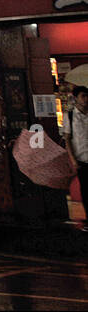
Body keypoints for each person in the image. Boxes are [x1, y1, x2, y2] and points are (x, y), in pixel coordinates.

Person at [65, 86, 88, 220]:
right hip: (81, 159)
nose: (86, 99)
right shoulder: (70, 116)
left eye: (87, 96)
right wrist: (73, 159)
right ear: (76, 98)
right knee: (86, 190)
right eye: (83, 96)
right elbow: (67, 138)